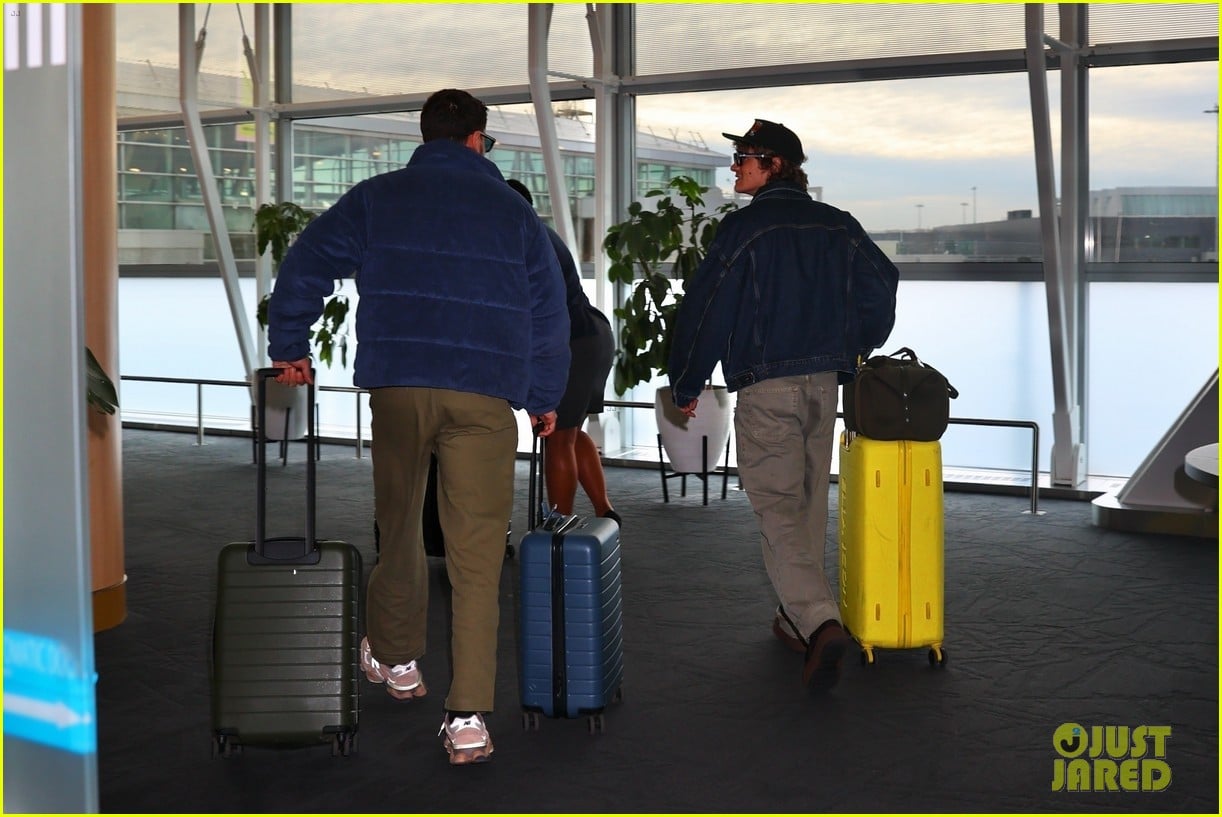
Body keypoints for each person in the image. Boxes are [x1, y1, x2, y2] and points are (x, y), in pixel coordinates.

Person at [266, 88, 570, 764]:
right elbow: (549, 316)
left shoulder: (377, 198)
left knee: (399, 524)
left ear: (425, 135)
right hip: (485, 398)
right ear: (475, 140)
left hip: (400, 386)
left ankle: (399, 659)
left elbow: (307, 260)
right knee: (477, 554)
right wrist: (544, 395)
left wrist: (290, 344)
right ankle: (467, 716)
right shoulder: (514, 214)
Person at [667, 118, 898, 690]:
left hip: (768, 387)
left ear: (775, 165)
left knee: (776, 507)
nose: (734, 165)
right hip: (825, 384)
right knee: (809, 503)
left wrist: (687, 381)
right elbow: (884, 284)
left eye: (745, 155)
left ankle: (820, 621)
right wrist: (856, 344)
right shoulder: (839, 227)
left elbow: (707, 308)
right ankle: (799, 620)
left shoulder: (745, 230)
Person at [506, 178, 621, 525]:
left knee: (558, 440)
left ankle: (558, 532)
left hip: (573, 342)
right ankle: (605, 511)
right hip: (593, 335)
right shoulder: (542, 234)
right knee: (571, 432)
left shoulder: (522, 240)